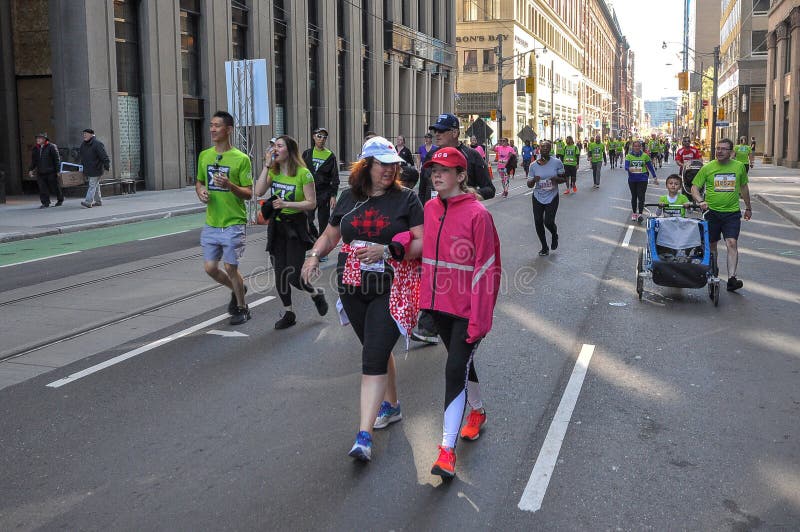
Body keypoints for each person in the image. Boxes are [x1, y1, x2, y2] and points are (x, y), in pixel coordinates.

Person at [301, 136, 424, 462]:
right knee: (376, 348)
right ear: (366, 166)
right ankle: (392, 405)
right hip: (352, 288)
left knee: (372, 355)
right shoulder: (348, 198)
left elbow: (423, 243)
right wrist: (314, 255)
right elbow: (331, 234)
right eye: (382, 164)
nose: (390, 169)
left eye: (393, 164)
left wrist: (388, 249)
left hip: (391, 288)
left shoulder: (407, 200)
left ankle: (364, 435)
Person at [419, 147, 501, 479]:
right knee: (461, 362)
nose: (437, 175)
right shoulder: (429, 208)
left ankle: (446, 451)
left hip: (468, 310)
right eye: (433, 170)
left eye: (445, 170)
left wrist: (481, 319)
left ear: (461, 175)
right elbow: (426, 255)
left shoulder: (478, 215)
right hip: (439, 307)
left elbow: (488, 270)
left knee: (454, 370)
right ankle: (478, 412)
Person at [415, 114, 495, 346]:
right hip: (434, 219)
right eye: (434, 131)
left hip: (462, 224)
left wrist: (467, 196)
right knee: (432, 268)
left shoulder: (471, 156)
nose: (436, 134)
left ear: (455, 133)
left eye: (442, 130)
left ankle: (454, 321)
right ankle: (429, 322)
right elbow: (423, 190)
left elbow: (489, 188)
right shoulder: (430, 157)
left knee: (453, 273)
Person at [254, 135, 328, 329]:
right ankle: (289, 312)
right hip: (277, 227)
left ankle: (315, 293)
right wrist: (267, 166)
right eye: (273, 146)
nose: (275, 149)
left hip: (295, 226)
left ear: (290, 150)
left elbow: (312, 203)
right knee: (279, 274)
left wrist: (287, 204)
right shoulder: (274, 171)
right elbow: (259, 191)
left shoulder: (304, 174)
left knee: (294, 275)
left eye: (279, 146)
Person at [195, 111, 253, 325]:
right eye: (211, 125)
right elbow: (199, 182)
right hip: (212, 222)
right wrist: (200, 192)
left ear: (228, 130)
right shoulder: (204, 155)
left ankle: (242, 307)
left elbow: (249, 193)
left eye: (217, 126)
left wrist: (230, 185)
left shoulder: (241, 159)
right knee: (210, 268)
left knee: (230, 267)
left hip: (233, 222)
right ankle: (238, 288)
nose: (212, 129)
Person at [690, 138, 752, 292]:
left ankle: (732, 279)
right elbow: (694, 187)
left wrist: (748, 207)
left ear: (731, 152)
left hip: (731, 213)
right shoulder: (708, 167)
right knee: (712, 244)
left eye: (724, 149)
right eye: (718, 148)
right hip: (712, 213)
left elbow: (744, 187)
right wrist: (700, 200)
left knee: (732, 242)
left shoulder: (739, 167)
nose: (719, 151)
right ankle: (713, 268)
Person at [527, 141, 567, 256]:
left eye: (547, 147)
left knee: (548, 222)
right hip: (538, 196)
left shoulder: (557, 162)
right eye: (542, 147)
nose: (544, 149)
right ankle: (544, 247)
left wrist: (556, 179)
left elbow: (564, 179)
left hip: (552, 196)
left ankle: (554, 234)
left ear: (550, 149)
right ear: (539, 149)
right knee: (538, 221)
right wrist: (534, 180)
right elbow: (529, 185)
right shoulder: (533, 165)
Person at [302, 127, 340, 238]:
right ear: (313, 137)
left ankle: (322, 246)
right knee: (307, 218)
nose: (322, 139)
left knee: (324, 221)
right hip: (309, 192)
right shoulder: (307, 154)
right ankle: (313, 238)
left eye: (324, 137)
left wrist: (333, 195)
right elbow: (300, 171)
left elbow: (335, 177)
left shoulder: (330, 155)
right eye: (319, 136)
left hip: (324, 193)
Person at [625, 140, 658, 222]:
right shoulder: (629, 156)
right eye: (635, 146)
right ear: (633, 147)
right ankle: (634, 213)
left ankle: (640, 214)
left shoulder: (645, 156)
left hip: (642, 179)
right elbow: (626, 167)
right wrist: (630, 169)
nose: (636, 148)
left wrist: (655, 177)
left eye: (638, 146)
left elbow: (650, 167)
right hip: (632, 179)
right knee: (634, 196)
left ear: (641, 147)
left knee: (641, 196)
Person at [29, 132, 63, 208]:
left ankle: (60, 199)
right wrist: (31, 170)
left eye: (40, 138)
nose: (38, 139)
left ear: (44, 139)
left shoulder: (51, 147)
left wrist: (58, 171)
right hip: (40, 172)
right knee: (42, 188)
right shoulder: (35, 148)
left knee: (55, 186)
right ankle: (45, 202)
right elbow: (34, 161)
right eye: (37, 138)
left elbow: (57, 160)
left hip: (51, 171)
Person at [79, 128, 110, 208]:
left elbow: (104, 156)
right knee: (96, 185)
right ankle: (98, 201)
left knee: (92, 185)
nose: (84, 135)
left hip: (96, 169)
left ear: (92, 135)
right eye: (84, 134)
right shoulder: (83, 144)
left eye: (86, 134)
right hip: (88, 169)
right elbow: (81, 156)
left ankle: (88, 202)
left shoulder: (97, 144)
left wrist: (107, 167)